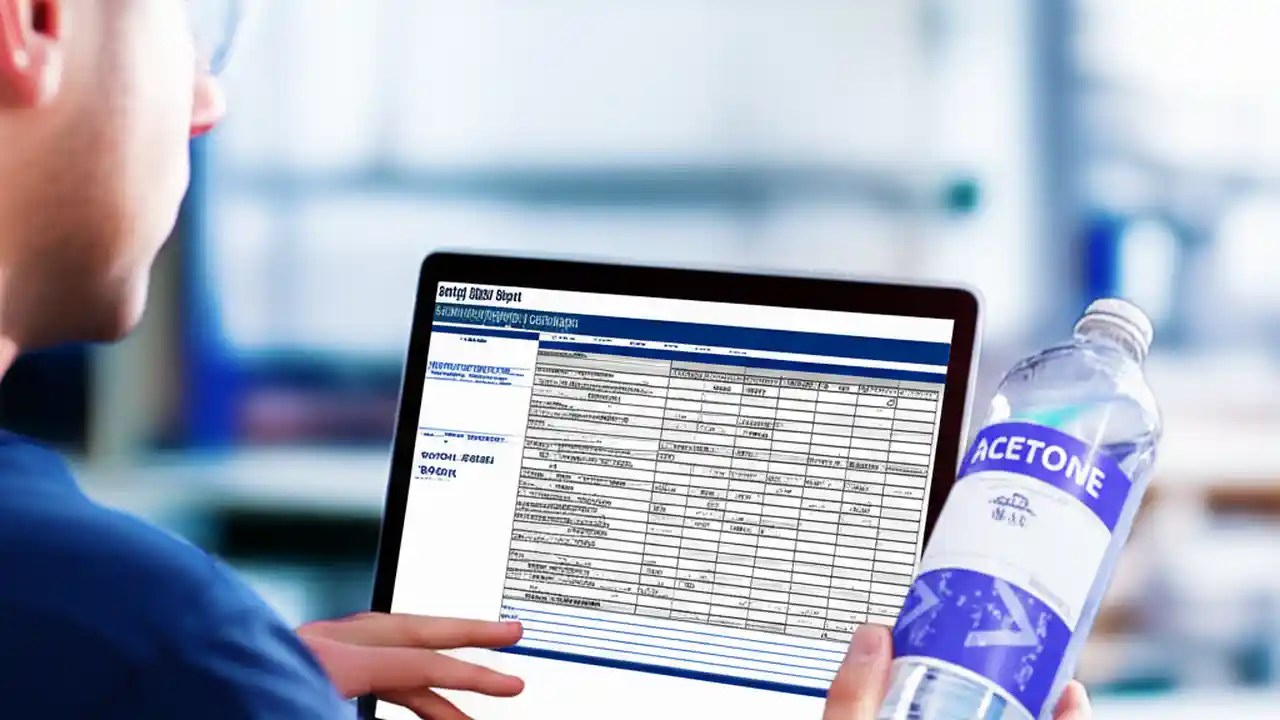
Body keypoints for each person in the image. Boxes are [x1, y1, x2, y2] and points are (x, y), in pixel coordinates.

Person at [0, 1, 1092, 718]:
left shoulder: (140, 646)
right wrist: (217, 680)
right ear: (31, 24)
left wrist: (262, 679)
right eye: (182, 25)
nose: (206, 101)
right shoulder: (157, 645)